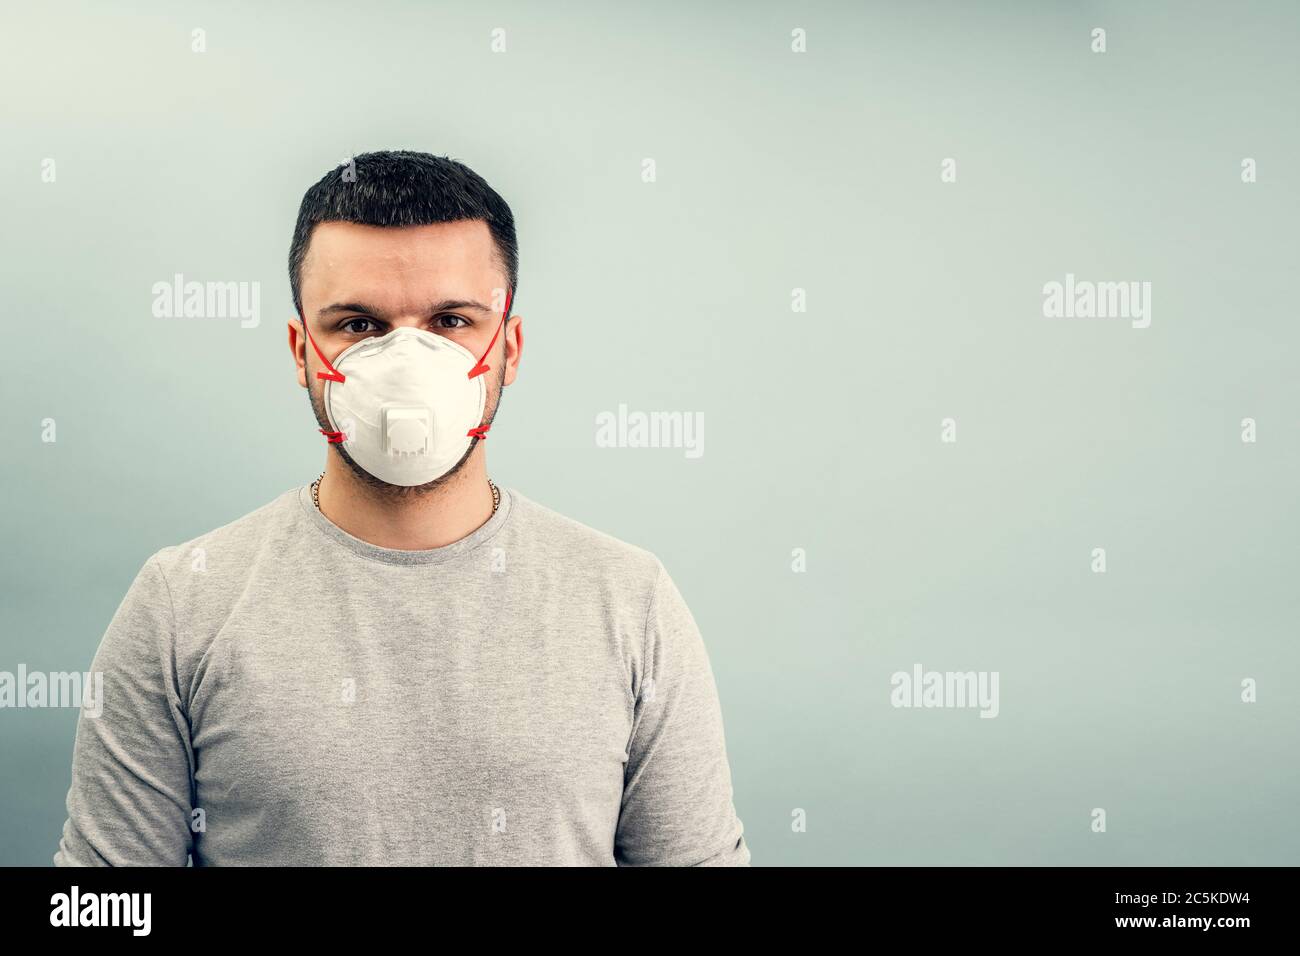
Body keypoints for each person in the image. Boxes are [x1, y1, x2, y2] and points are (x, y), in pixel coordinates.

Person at [53, 150, 750, 866]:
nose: (407, 365)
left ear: (508, 348)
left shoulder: (630, 603)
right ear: (302, 351)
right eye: (358, 325)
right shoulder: (183, 605)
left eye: (451, 321)